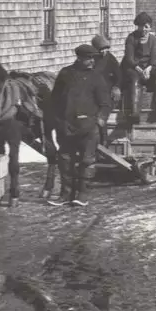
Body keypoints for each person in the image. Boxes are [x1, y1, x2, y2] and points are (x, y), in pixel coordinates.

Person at [49, 43, 112, 207]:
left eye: (93, 58)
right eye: (88, 58)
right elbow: (55, 99)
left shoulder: (97, 77)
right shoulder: (65, 74)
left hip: (89, 127)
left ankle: (82, 194)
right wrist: (58, 121)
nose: (91, 61)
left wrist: (99, 121)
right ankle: (65, 194)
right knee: (65, 159)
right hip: (67, 126)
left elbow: (105, 103)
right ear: (79, 58)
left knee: (86, 161)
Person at [121, 12, 156, 119]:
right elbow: (129, 58)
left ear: (149, 27)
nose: (144, 29)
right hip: (134, 68)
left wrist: (148, 69)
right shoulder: (131, 38)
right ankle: (135, 112)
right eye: (141, 26)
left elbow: (155, 57)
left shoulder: (152, 39)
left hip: (148, 69)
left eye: (146, 27)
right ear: (137, 26)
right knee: (135, 80)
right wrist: (140, 70)